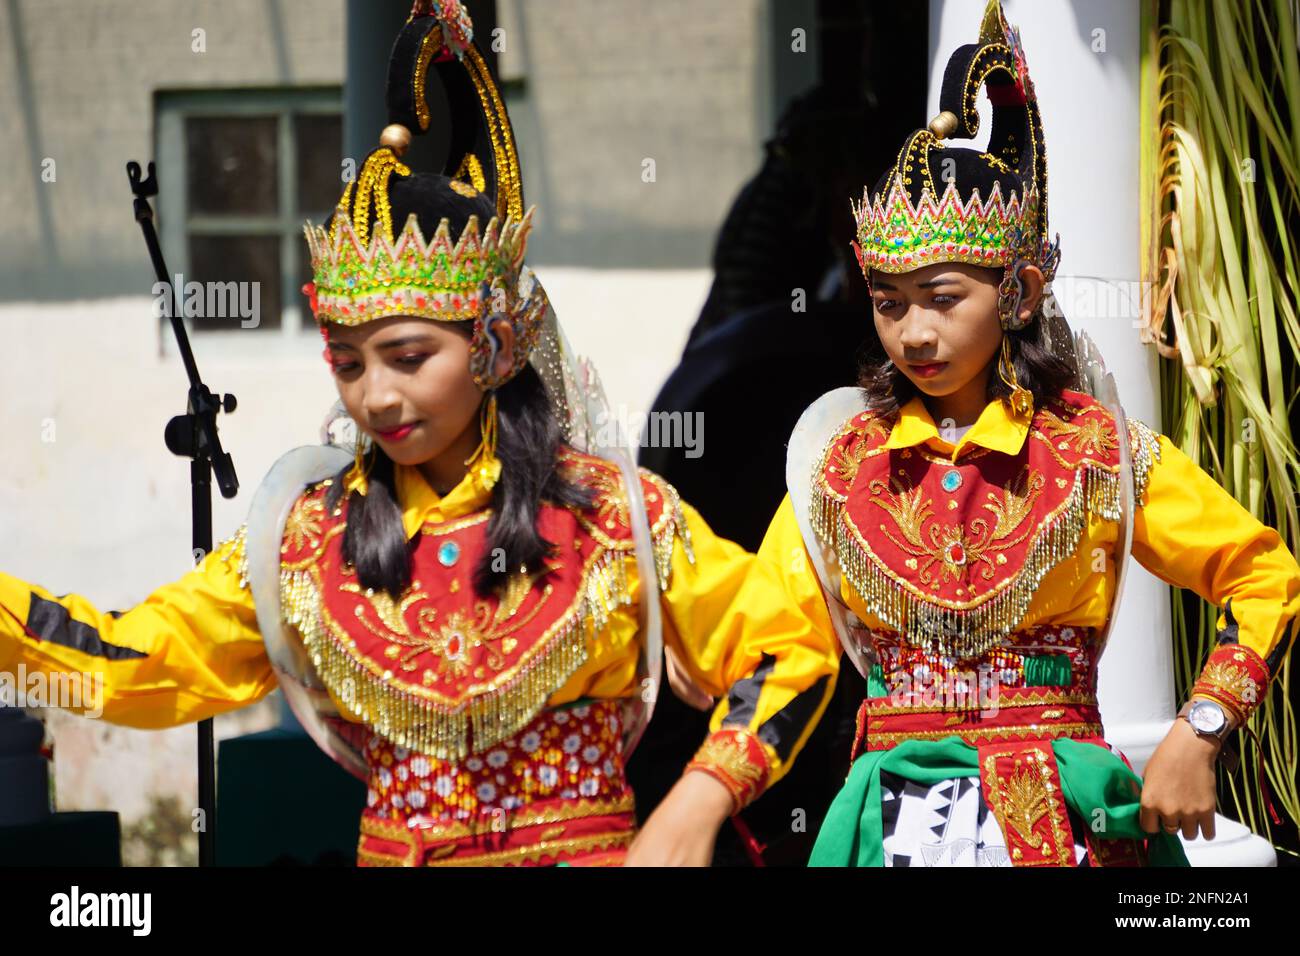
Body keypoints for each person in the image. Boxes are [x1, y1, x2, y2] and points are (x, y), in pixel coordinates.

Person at [0, 1, 838, 867]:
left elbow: (788, 646)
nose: (378, 396)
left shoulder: (611, 519)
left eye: (406, 356)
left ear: (494, 344)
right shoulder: (308, 541)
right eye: (350, 363)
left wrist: (697, 804)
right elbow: (137, 657)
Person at [738, 0, 1300, 866]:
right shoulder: (840, 470)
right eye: (890, 305)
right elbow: (778, 646)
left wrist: (1202, 726)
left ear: (1021, 292)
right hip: (889, 824)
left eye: (944, 298)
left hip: (1065, 821)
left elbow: (1261, 573)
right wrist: (710, 786)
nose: (914, 333)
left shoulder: (1095, 453)